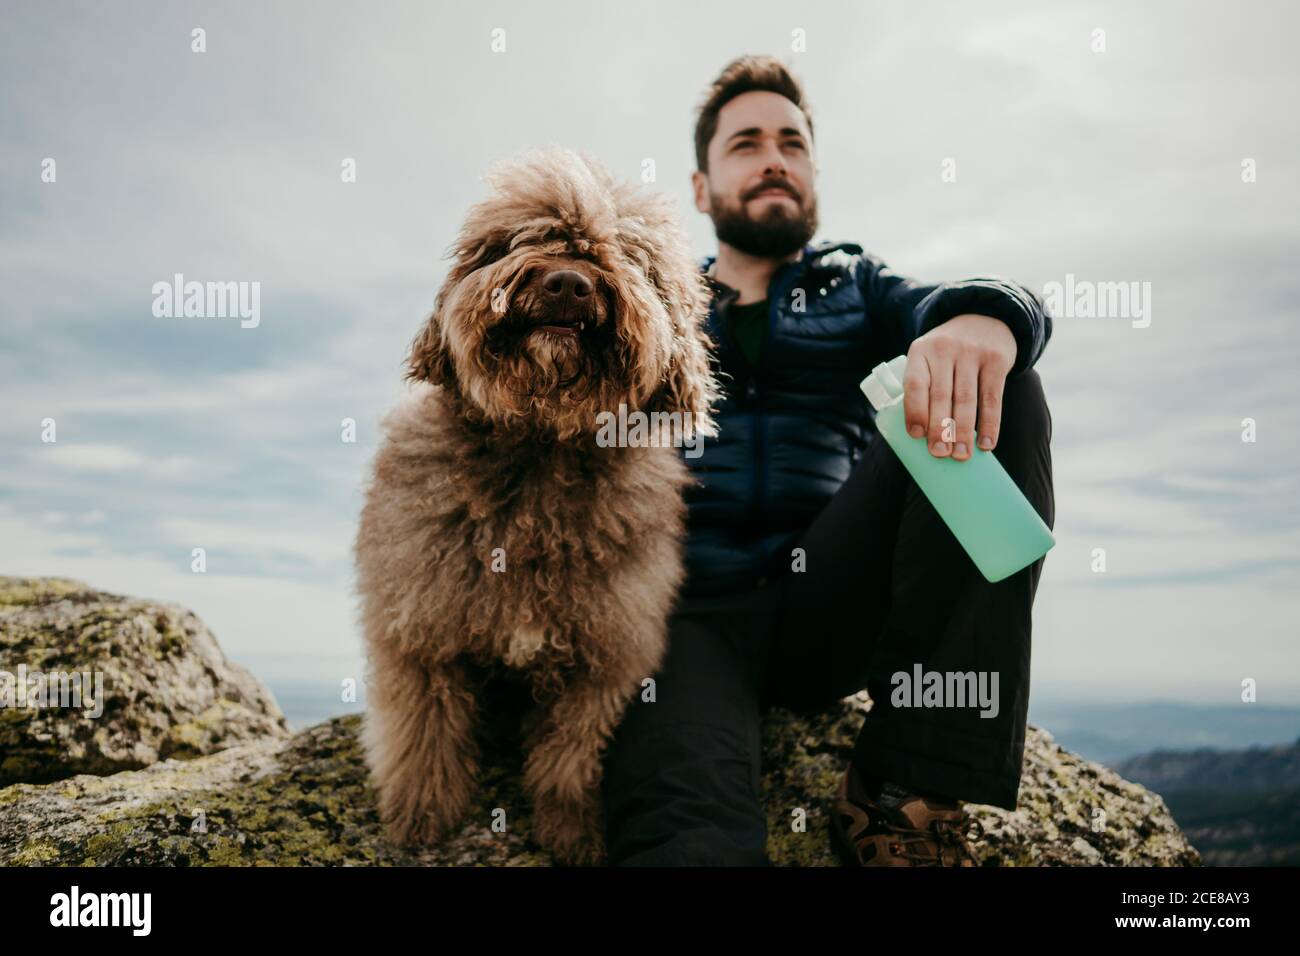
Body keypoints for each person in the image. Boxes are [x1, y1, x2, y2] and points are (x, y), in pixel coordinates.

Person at [600, 54, 1055, 866]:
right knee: (691, 836)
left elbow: (948, 306)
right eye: (745, 143)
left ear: (812, 172)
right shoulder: (650, 297)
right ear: (700, 189)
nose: (774, 157)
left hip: (828, 599)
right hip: (679, 618)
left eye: (792, 142)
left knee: (998, 381)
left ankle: (904, 787)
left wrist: (989, 314)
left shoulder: (856, 284)